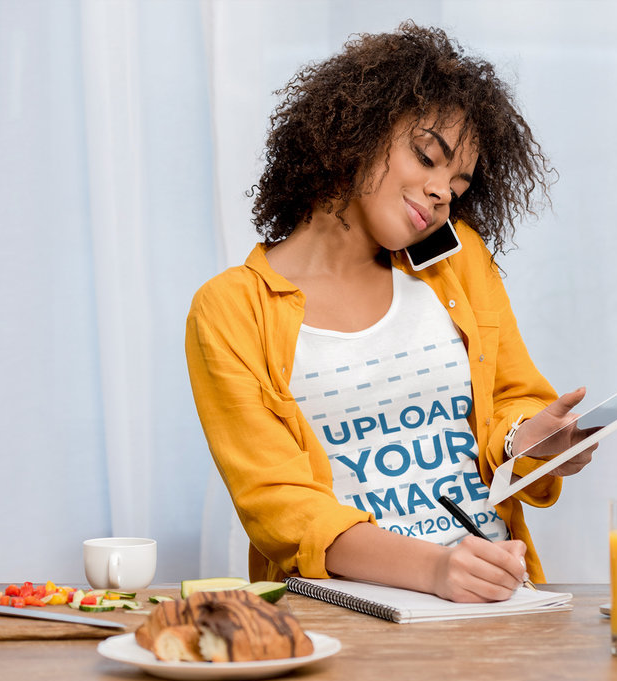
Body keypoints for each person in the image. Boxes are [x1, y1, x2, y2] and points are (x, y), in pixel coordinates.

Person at [185, 22, 596, 604]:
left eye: (458, 184)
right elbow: (281, 510)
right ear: (355, 130)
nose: (440, 193)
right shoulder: (230, 309)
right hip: (345, 614)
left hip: (496, 595)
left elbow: (511, 398)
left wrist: (530, 443)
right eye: (427, 157)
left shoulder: (457, 264)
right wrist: (434, 569)